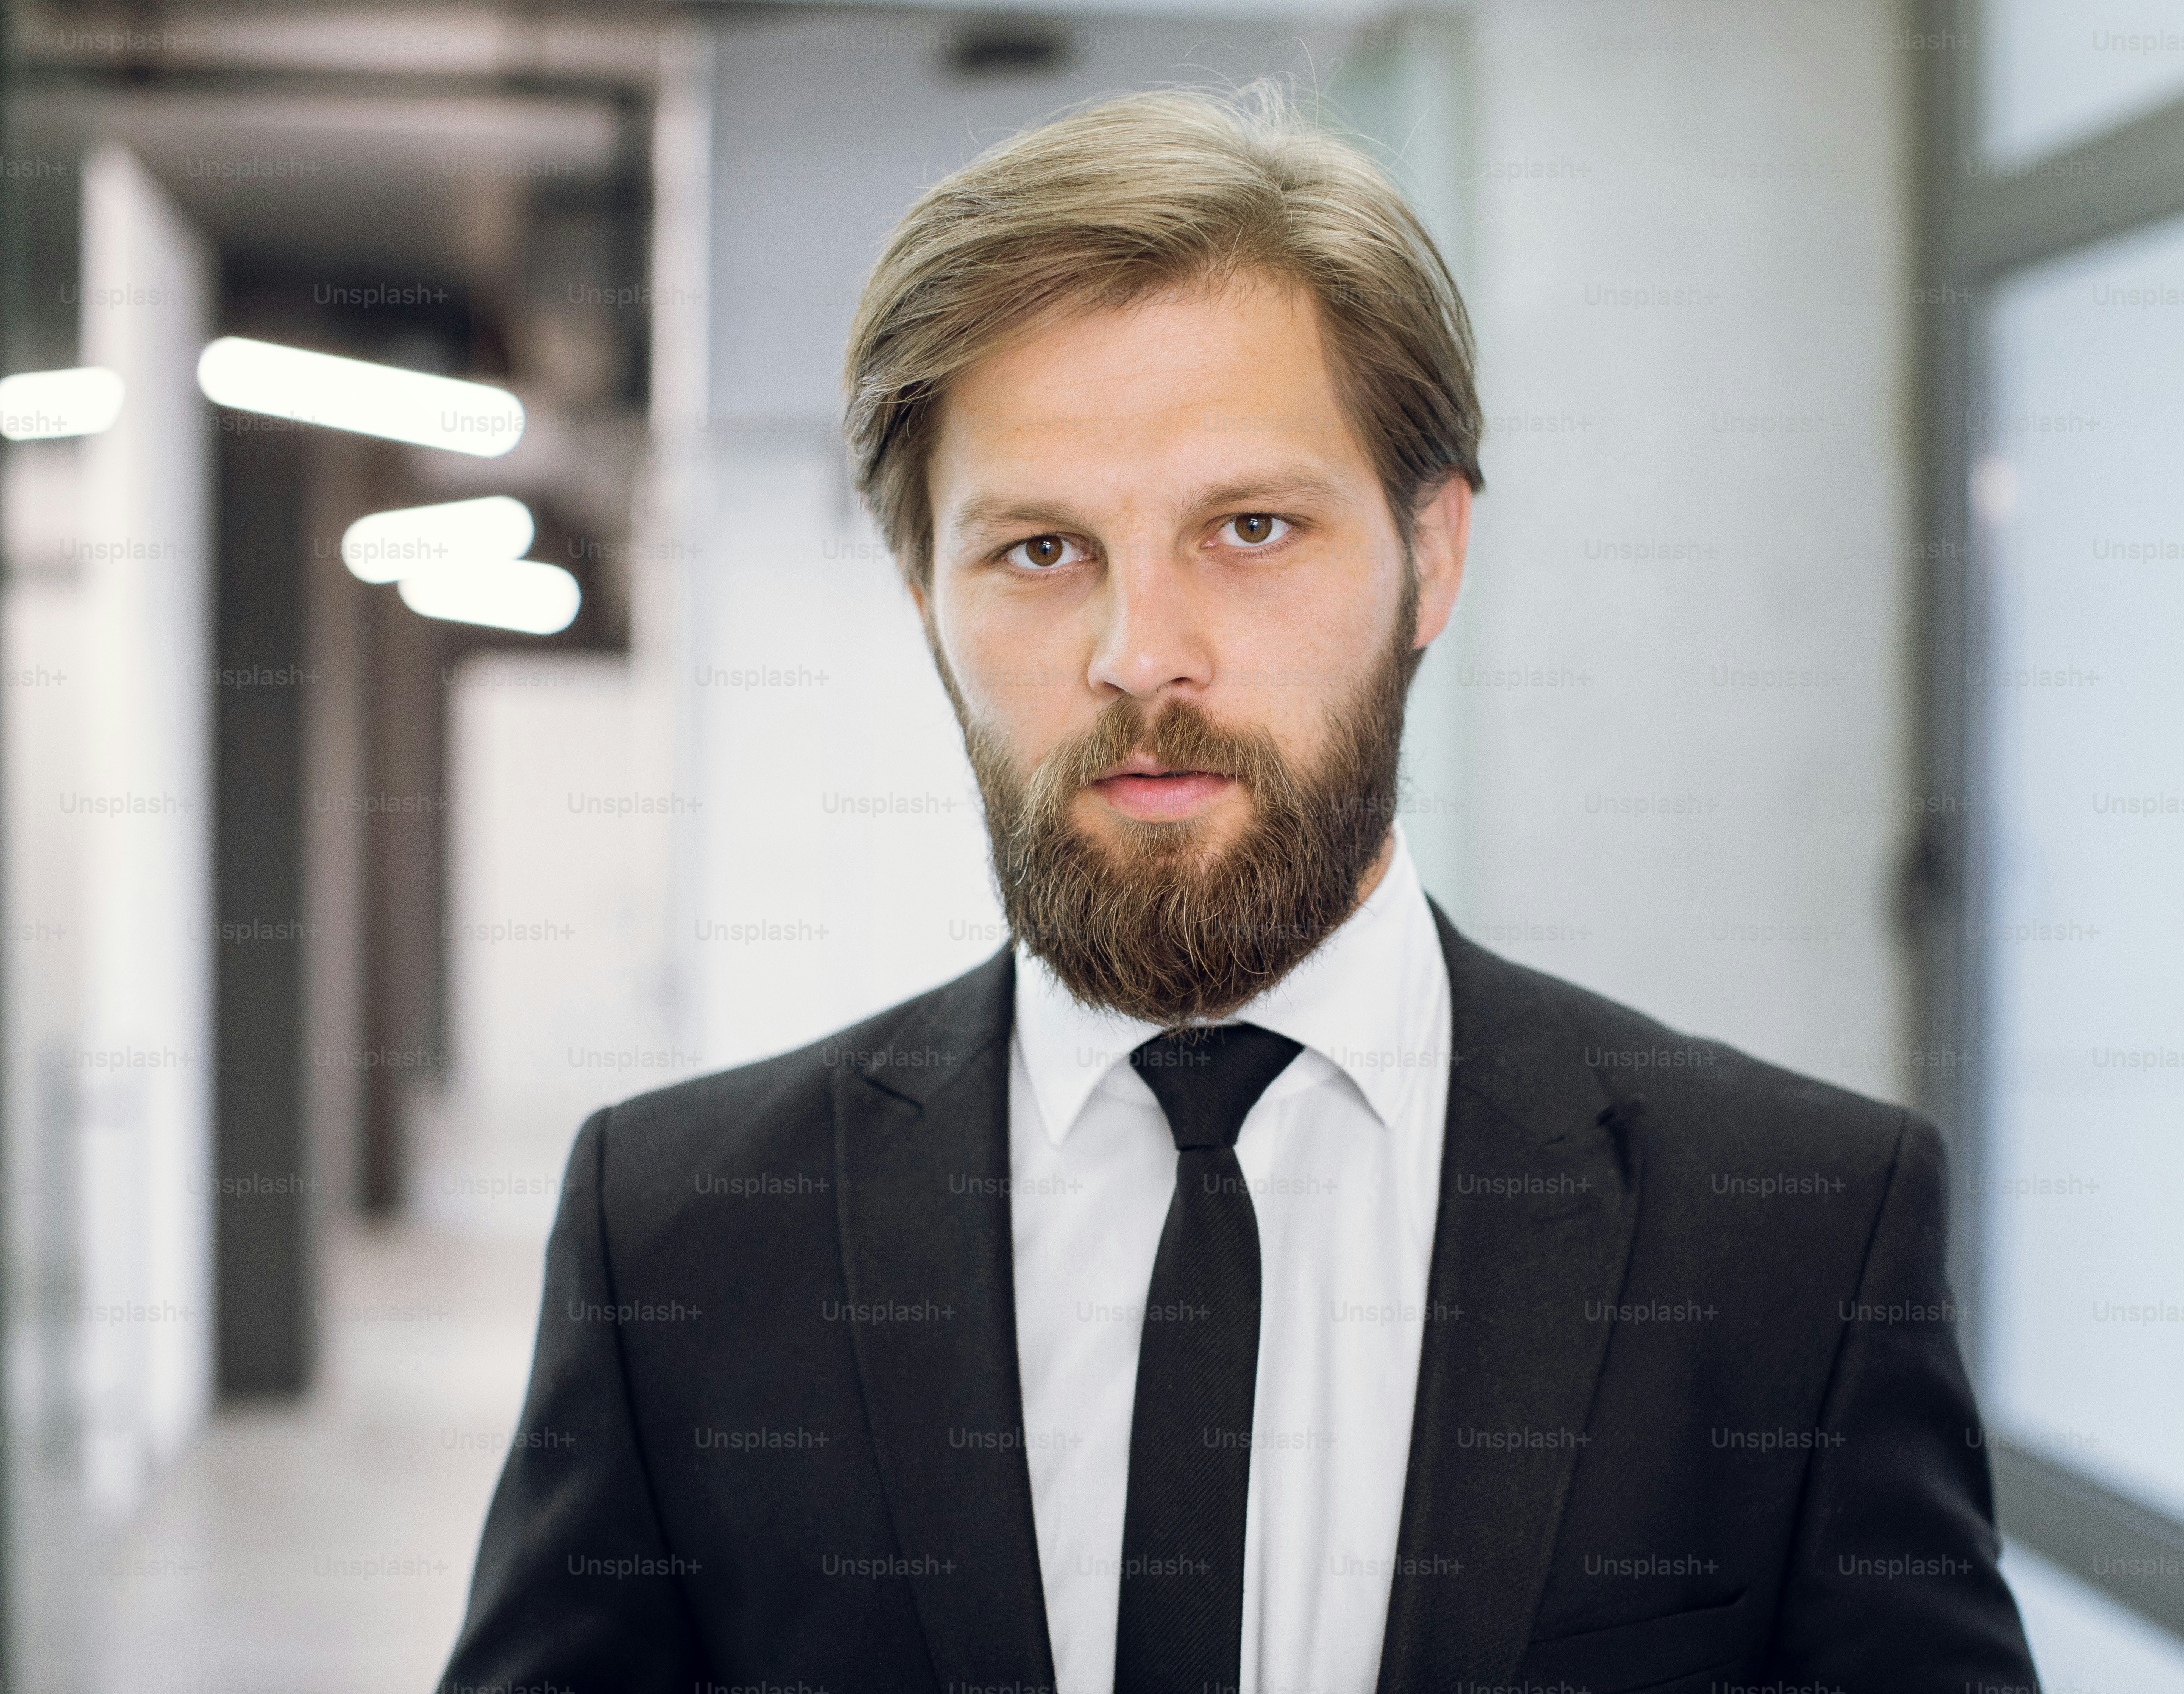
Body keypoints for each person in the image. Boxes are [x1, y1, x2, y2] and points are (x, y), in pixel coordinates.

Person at [443, 83, 2039, 1694]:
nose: (1141, 652)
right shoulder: (680, 1236)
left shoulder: (1794, 1238)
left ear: (1434, 555)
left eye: (1252, 527)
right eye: (1042, 550)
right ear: (926, 589)